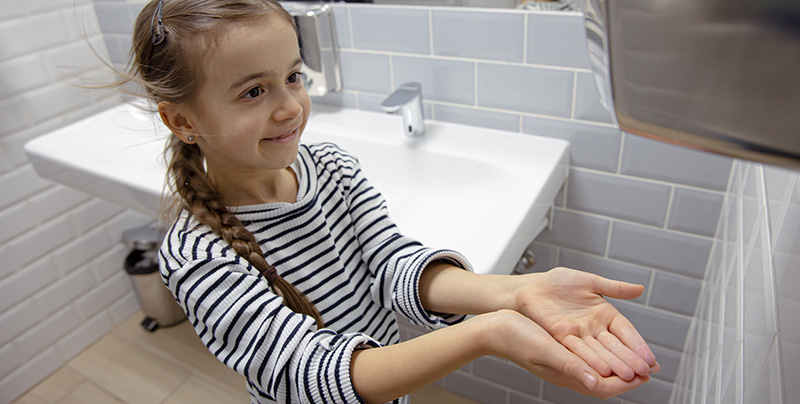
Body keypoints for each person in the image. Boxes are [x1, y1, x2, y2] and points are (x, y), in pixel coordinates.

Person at [118, 1, 659, 403]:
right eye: (253, 92)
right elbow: (309, 376)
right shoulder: (198, 260)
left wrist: (516, 293)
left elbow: (391, 263)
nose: (290, 108)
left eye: (293, 76)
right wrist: (487, 332)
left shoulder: (330, 167)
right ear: (182, 120)